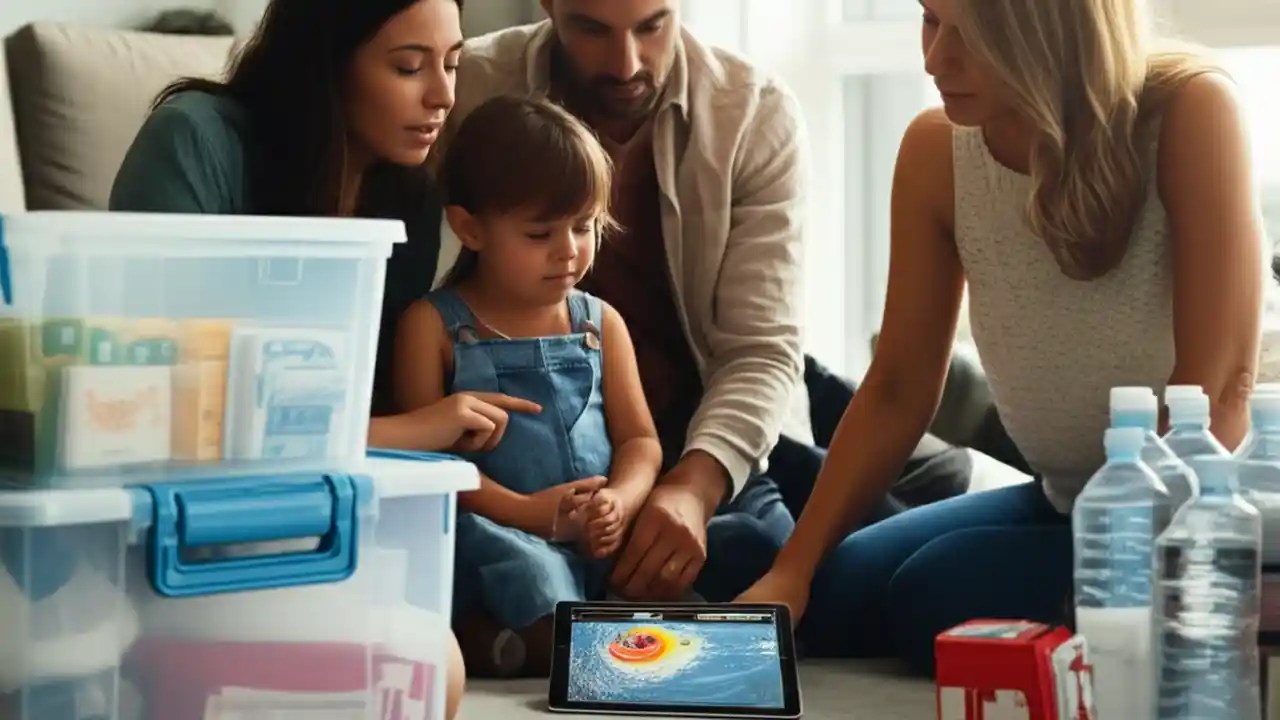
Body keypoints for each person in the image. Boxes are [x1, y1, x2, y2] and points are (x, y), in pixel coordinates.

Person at [738, 0, 1278, 675]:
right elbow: (899, 387)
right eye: (931, 20)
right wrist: (791, 572)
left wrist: (1142, 571)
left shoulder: (1191, 111)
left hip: (1197, 510)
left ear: (1049, 37)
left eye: (972, 36)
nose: (934, 59)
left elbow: (1219, 392)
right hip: (1064, 495)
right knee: (838, 592)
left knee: (930, 594)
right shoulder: (936, 149)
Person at [430, 0, 977, 607]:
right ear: (548, 7)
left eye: (652, 26)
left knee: (815, 567)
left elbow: (760, 353)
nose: (626, 63)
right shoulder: (464, 85)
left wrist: (693, 487)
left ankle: (922, 473)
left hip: (704, 408)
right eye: (591, 30)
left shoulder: (751, 113)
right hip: (542, 443)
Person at [108, 0, 469, 714]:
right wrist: (416, 429)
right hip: (177, 524)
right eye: (408, 66)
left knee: (437, 671)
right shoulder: (196, 141)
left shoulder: (410, 196)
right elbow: (152, 403)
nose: (443, 95)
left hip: (316, 518)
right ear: (326, 64)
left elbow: (363, 407)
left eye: (453, 63)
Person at [391, 94, 662, 678]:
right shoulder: (434, 326)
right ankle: (506, 638)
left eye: (584, 226)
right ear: (470, 228)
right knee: (529, 579)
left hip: (595, 534)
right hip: (499, 527)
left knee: (719, 554)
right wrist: (527, 513)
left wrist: (622, 498)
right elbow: (424, 464)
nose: (569, 251)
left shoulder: (600, 323)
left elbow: (641, 441)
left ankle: (510, 642)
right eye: (540, 234)